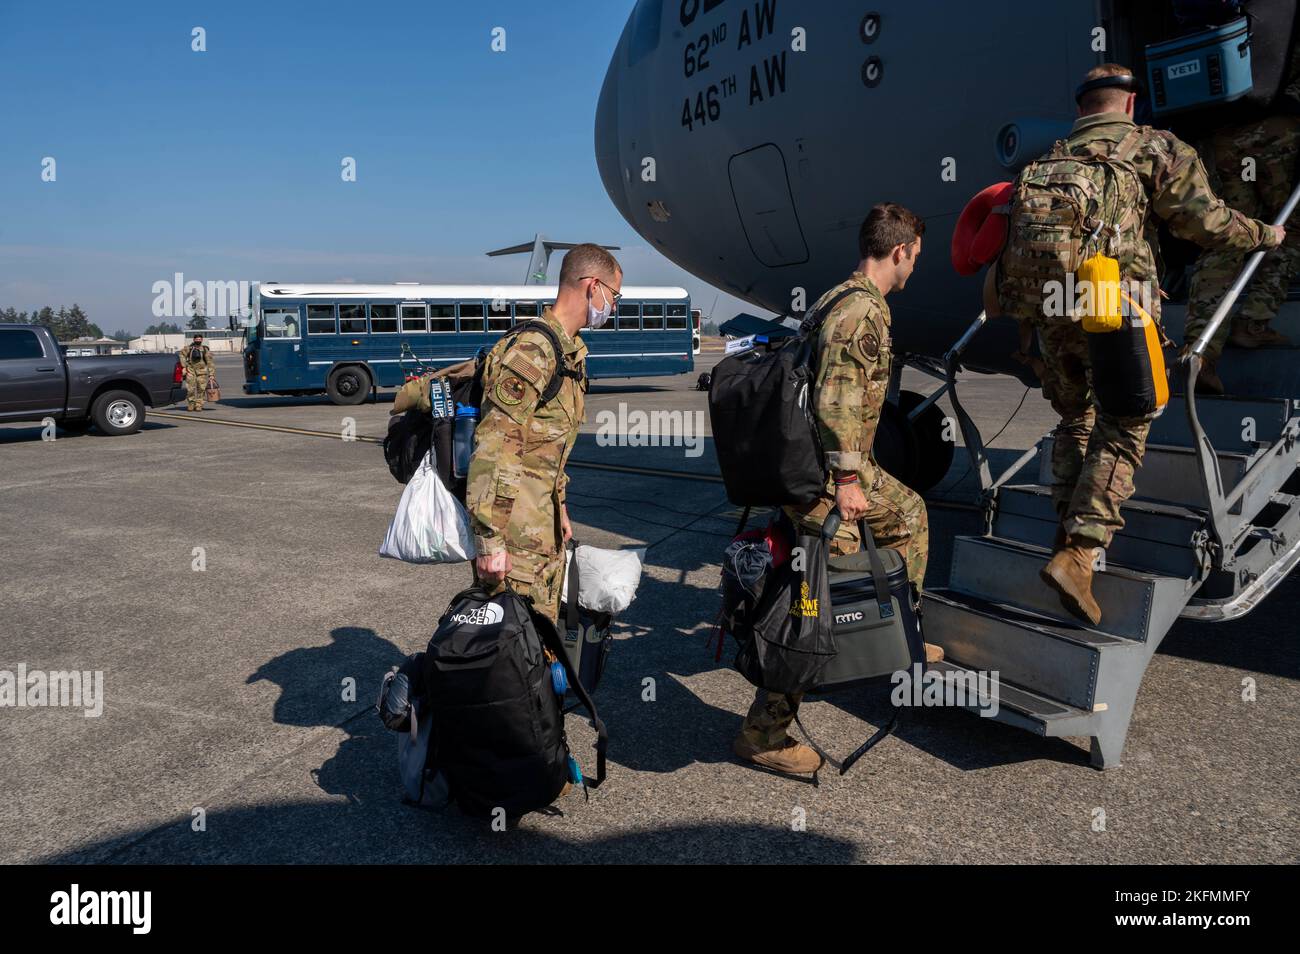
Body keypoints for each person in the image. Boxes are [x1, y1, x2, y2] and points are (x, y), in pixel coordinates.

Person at [997, 64, 1282, 625]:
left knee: (1076, 420)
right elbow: (1204, 224)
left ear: (1083, 108)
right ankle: (1079, 554)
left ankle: (1066, 527)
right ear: (1129, 106)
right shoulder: (1152, 145)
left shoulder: (1048, 157)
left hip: (1048, 311)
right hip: (1113, 308)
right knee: (1126, 424)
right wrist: (1263, 234)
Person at [733, 203, 937, 777]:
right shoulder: (859, 313)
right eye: (915, 258)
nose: (914, 269)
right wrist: (847, 481)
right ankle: (764, 732)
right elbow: (837, 400)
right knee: (810, 606)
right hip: (830, 478)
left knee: (907, 519)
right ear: (899, 251)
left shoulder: (834, 299)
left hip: (821, 470)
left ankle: (899, 632)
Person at [466, 244, 621, 623]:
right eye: (614, 296)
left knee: (535, 652)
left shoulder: (568, 355)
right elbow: (495, 445)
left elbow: (547, 449)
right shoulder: (534, 351)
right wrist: (488, 541)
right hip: (514, 540)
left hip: (541, 532)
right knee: (510, 657)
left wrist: (560, 507)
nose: (614, 307)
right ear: (592, 286)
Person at [1183, 37, 1300, 393]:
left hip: (1221, 138)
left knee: (1230, 237)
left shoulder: (1225, 24)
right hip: (1279, 133)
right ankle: (1253, 322)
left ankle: (1198, 354)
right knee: (1290, 232)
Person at [178, 333, 214, 411]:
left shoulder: (205, 349)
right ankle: (191, 403)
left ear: (202, 340)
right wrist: (183, 366)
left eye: (199, 339)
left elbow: (210, 362)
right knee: (190, 389)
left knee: (201, 389)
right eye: (196, 339)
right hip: (190, 371)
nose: (198, 340)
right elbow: (181, 355)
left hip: (202, 372)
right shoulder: (188, 348)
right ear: (194, 340)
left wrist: (211, 374)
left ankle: (199, 405)